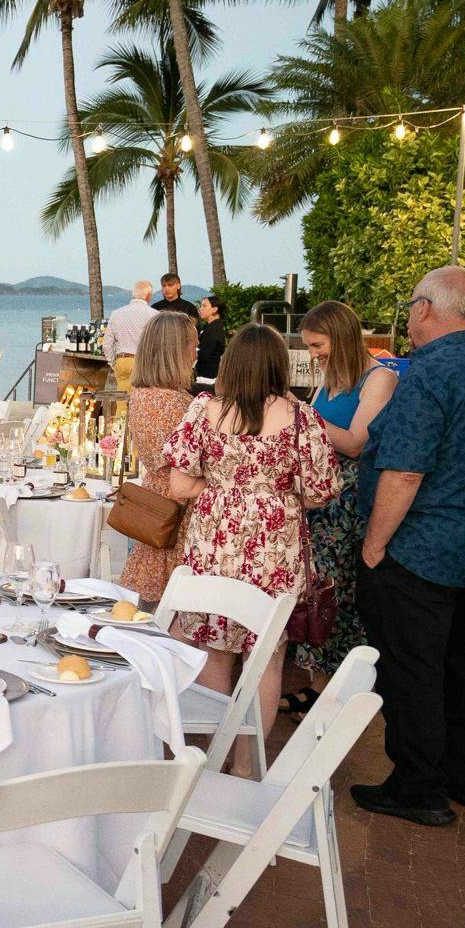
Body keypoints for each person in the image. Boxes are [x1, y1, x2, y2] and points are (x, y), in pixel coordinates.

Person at [350, 267, 465, 825]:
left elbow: (404, 470)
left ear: (427, 309)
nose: (407, 318)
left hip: (423, 548)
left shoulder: (431, 373)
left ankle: (418, 786)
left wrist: (375, 546)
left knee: (414, 668)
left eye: (410, 306)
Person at [161, 322, 338, 772]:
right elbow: (320, 492)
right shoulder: (302, 419)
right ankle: (245, 767)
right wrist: (268, 493)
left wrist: (223, 487)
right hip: (273, 549)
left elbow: (179, 484)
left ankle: (209, 760)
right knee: (265, 662)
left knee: (215, 652)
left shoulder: (204, 410)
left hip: (214, 543)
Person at [290, 300, 397, 710]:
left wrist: (300, 413)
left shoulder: (379, 378)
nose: (313, 354)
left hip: (349, 502)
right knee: (317, 590)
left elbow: (355, 441)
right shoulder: (329, 379)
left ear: (341, 337)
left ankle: (341, 691)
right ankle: (317, 686)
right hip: (319, 499)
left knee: (341, 593)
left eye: (318, 345)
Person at [117, 312, 198, 605]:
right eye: (192, 346)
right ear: (175, 350)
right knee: (175, 606)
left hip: (155, 503)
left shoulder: (142, 394)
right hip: (176, 510)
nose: (195, 354)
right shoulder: (173, 403)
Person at [105, 280, 159, 393]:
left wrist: (114, 363)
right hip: (143, 362)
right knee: (140, 401)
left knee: (122, 401)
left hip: (122, 361)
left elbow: (107, 344)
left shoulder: (117, 313)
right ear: (148, 296)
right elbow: (158, 345)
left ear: (133, 294)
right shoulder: (154, 315)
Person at [194, 294, 226, 385]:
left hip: (207, 378)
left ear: (214, 309)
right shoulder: (210, 327)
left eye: (204, 306)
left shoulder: (214, 330)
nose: (200, 309)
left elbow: (205, 354)